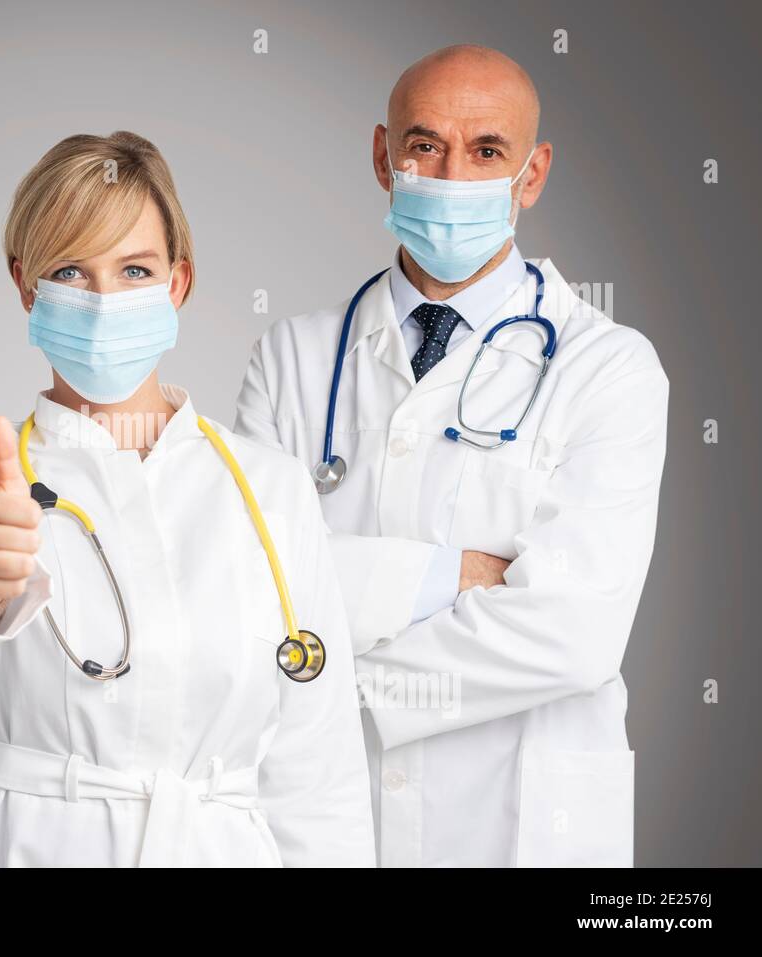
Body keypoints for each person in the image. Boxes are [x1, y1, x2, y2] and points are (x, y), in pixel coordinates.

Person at [0, 132, 374, 867]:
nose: (103, 301)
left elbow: (317, 765)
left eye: (135, 269)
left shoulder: (270, 488)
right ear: (26, 286)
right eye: (70, 271)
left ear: (178, 284)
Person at [236, 45, 668, 867]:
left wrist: (334, 678)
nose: (451, 174)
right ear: (381, 155)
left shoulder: (610, 367)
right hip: (329, 817)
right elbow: (255, 592)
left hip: (523, 823)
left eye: (487, 151)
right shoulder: (293, 357)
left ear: (531, 175)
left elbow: (573, 633)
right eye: (424, 144)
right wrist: (454, 576)